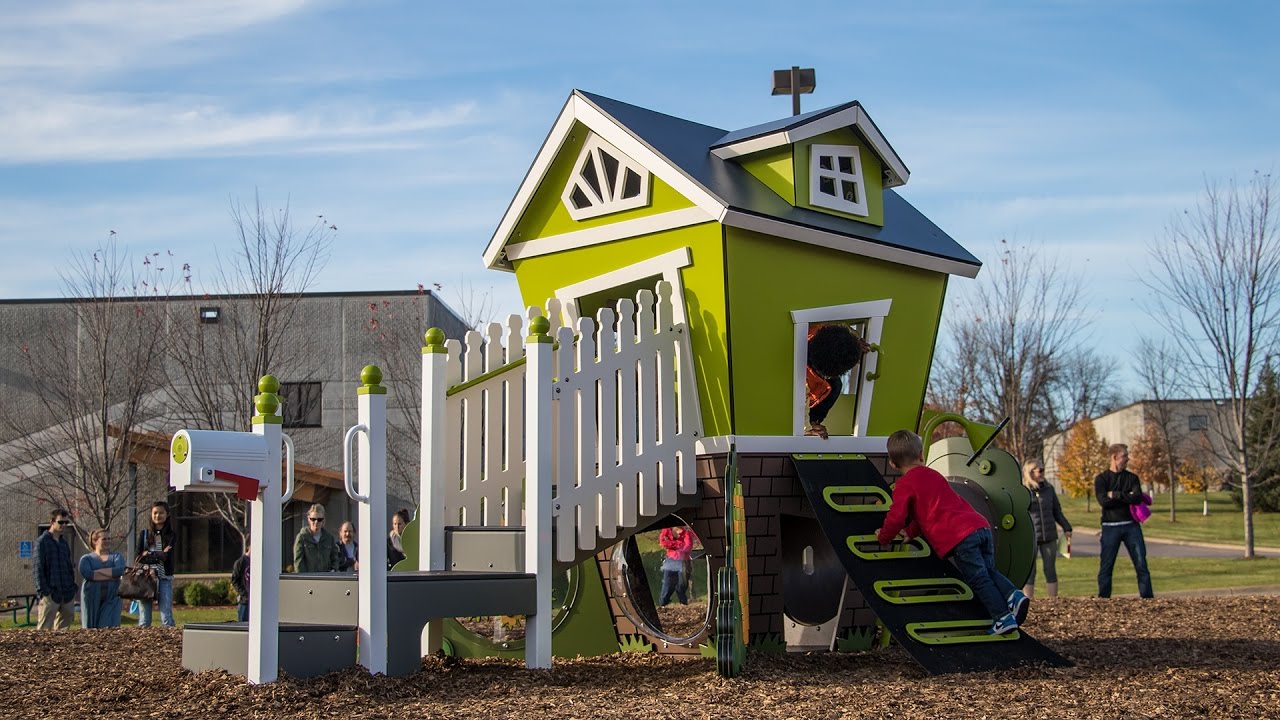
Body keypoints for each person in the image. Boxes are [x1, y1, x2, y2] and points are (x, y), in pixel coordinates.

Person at [876, 430, 1029, 635]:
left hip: (961, 536)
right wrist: (912, 532)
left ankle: (1002, 618)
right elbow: (929, 513)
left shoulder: (905, 485)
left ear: (893, 464)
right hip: (980, 526)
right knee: (988, 572)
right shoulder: (934, 475)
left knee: (978, 579)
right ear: (921, 455)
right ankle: (1014, 595)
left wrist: (884, 537)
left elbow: (896, 517)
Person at [1095, 443, 1154, 599]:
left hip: (1131, 526)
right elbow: (1103, 502)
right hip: (1110, 527)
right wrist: (1125, 496)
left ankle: (1147, 599)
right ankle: (1104, 599)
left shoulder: (1132, 478)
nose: (1128, 459)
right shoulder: (1101, 479)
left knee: (1141, 564)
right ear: (1114, 458)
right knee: (1106, 566)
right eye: (1124, 456)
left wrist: (1115, 495)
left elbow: (1136, 498)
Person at [805, 324, 869, 438]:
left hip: (820, 384)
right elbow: (800, 406)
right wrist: (806, 428)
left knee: (836, 385)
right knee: (836, 385)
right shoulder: (803, 383)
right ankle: (813, 423)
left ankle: (815, 421)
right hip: (809, 395)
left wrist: (855, 342)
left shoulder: (826, 329)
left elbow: (845, 331)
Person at [1022, 461, 1072, 598]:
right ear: (1030, 473)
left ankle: (1052, 601)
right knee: (1030, 571)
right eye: (1039, 470)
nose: (1042, 473)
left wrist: (1067, 527)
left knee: (1050, 569)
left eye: (1042, 470)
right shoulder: (1024, 490)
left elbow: (1057, 511)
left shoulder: (1049, 489)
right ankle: (1028, 601)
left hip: (1049, 535)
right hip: (1031, 537)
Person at [32, 508, 77, 630]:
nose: (63, 525)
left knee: (64, 630)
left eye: (66, 523)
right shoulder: (42, 542)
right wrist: (44, 591)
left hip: (67, 591)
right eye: (60, 522)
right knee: (44, 629)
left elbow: (68, 567)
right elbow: (38, 568)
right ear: (52, 522)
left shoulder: (64, 543)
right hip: (51, 592)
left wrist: (72, 587)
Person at [137, 500, 177, 627]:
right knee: (144, 618)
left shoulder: (171, 535)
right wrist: (158, 555)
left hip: (164, 577)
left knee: (166, 616)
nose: (157, 516)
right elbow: (139, 557)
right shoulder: (144, 534)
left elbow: (167, 557)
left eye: (161, 513)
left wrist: (148, 553)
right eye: (155, 513)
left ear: (167, 515)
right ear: (151, 514)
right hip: (146, 578)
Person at [79, 528, 126, 629]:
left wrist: (97, 573)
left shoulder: (117, 556)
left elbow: (119, 571)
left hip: (112, 596)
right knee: (90, 627)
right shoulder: (87, 559)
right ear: (95, 541)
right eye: (104, 539)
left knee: (109, 627)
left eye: (109, 538)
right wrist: (110, 575)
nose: (108, 541)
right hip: (91, 596)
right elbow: (88, 574)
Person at [293, 504, 341, 572]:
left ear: (323, 520)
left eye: (319, 519)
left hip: (325, 579)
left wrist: (333, 570)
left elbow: (335, 559)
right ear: (308, 519)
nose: (316, 522)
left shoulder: (329, 538)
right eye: (313, 519)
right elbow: (298, 562)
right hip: (308, 579)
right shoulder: (302, 537)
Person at [658, 525, 695, 606]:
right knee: (667, 585)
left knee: (681, 585)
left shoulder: (687, 533)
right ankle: (663, 605)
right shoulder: (666, 530)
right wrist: (679, 543)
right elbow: (662, 542)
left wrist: (671, 544)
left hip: (684, 562)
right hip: (670, 560)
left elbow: (687, 547)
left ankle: (683, 604)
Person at [230, 539, 250, 622]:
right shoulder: (240, 562)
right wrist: (244, 593)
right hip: (245, 601)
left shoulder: (259, 562)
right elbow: (234, 580)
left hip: (256, 602)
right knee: (243, 624)